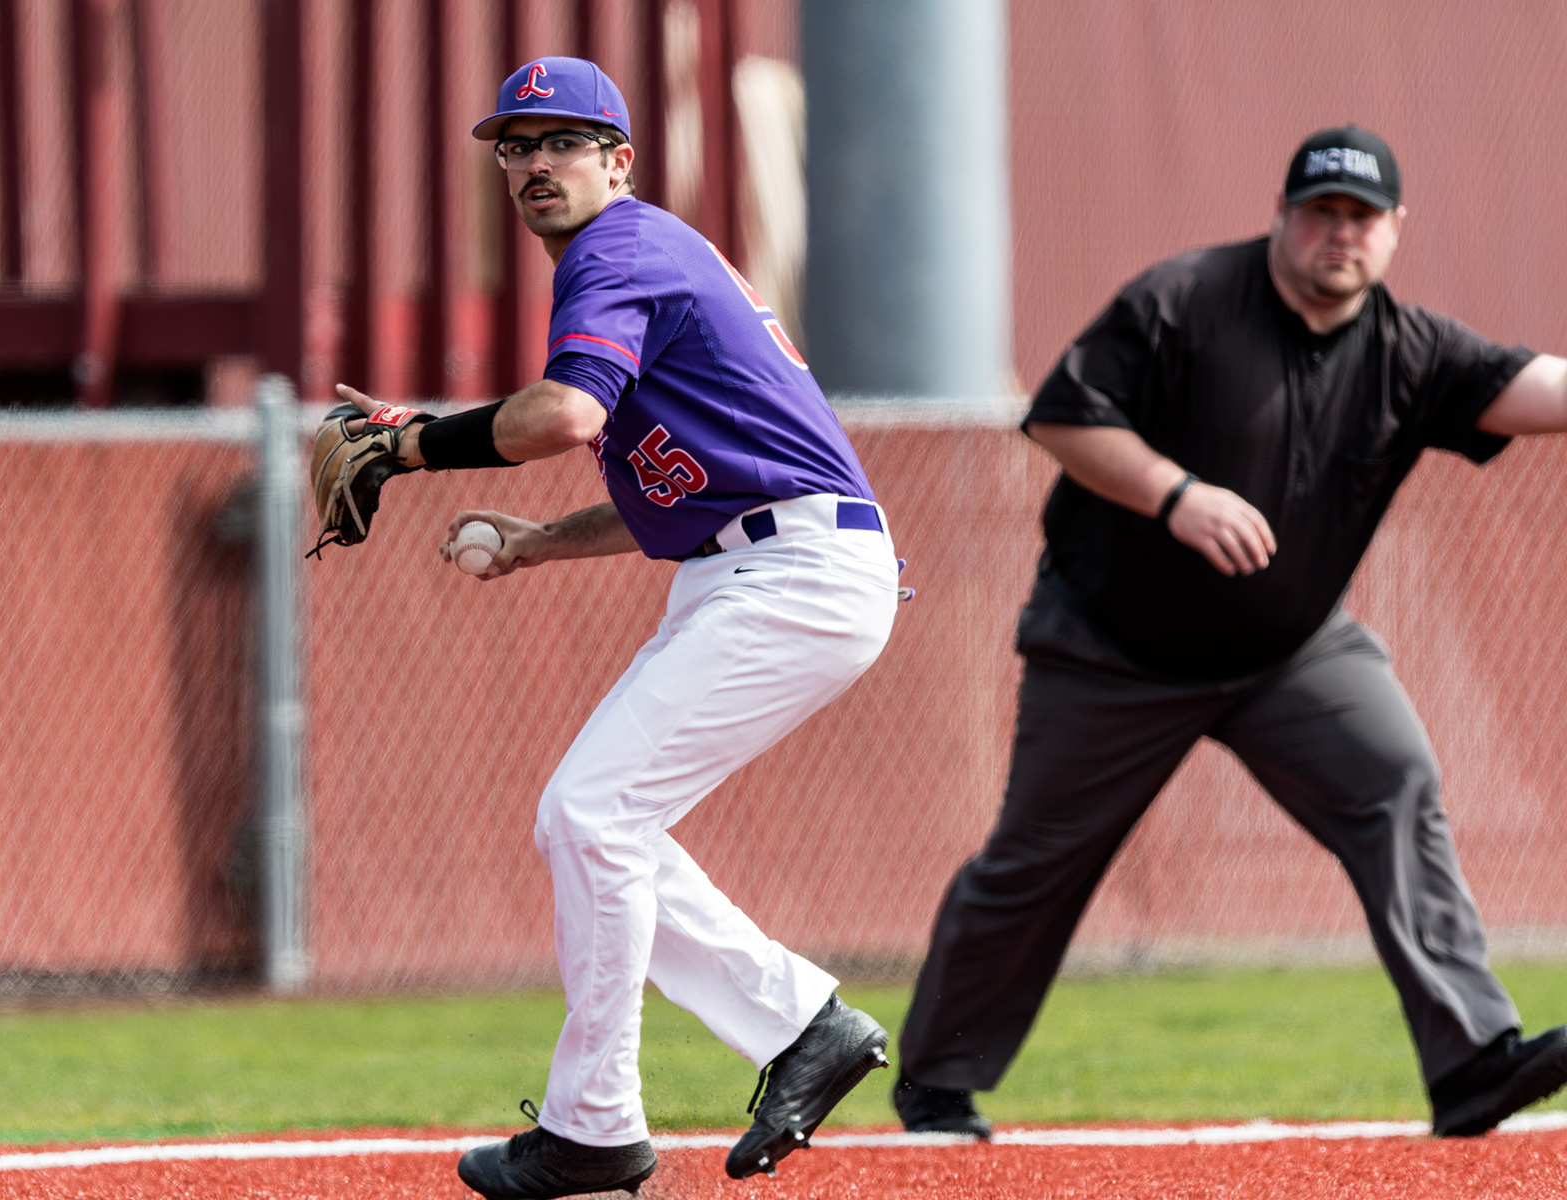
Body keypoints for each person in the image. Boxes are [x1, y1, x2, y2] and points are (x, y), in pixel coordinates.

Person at [890, 125, 1567, 1142]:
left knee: (1395, 781)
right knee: (1034, 862)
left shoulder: (1409, 349)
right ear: (1283, 216)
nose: (1340, 233)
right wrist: (1179, 495)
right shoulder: (1185, 301)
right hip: (1112, 651)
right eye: (1322, 211)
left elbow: (1531, 390)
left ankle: (1471, 1062)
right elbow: (1064, 418)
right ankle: (937, 1082)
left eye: (1362, 217)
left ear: (1393, 233)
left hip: (1287, 654)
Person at [331, 57, 900, 1198]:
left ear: (617, 161)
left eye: (564, 141)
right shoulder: (639, 260)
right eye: (516, 145)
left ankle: (598, 1123)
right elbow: (677, 496)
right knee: (592, 824)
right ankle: (803, 1025)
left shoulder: (616, 250)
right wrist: (542, 544)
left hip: (795, 570)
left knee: (591, 813)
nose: (536, 163)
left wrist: (406, 444)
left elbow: (564, 414)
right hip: (766, 561)